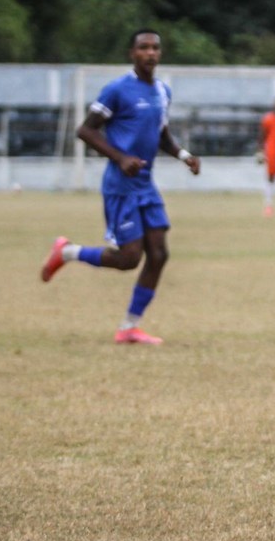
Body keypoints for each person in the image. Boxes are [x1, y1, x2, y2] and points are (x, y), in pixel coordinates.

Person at [40, 29, 201, 345]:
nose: (150, 53)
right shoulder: (117, 90)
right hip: (121, 186)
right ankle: (67, 251)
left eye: (155, 47)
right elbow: (86, 131)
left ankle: (129, 326)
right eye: (144, 47)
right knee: (129, 259)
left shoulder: (162, 92)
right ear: (132, 53)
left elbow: (161, 134)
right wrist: (121, 157)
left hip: (146, 185)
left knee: (158, 254)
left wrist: (183, 155)